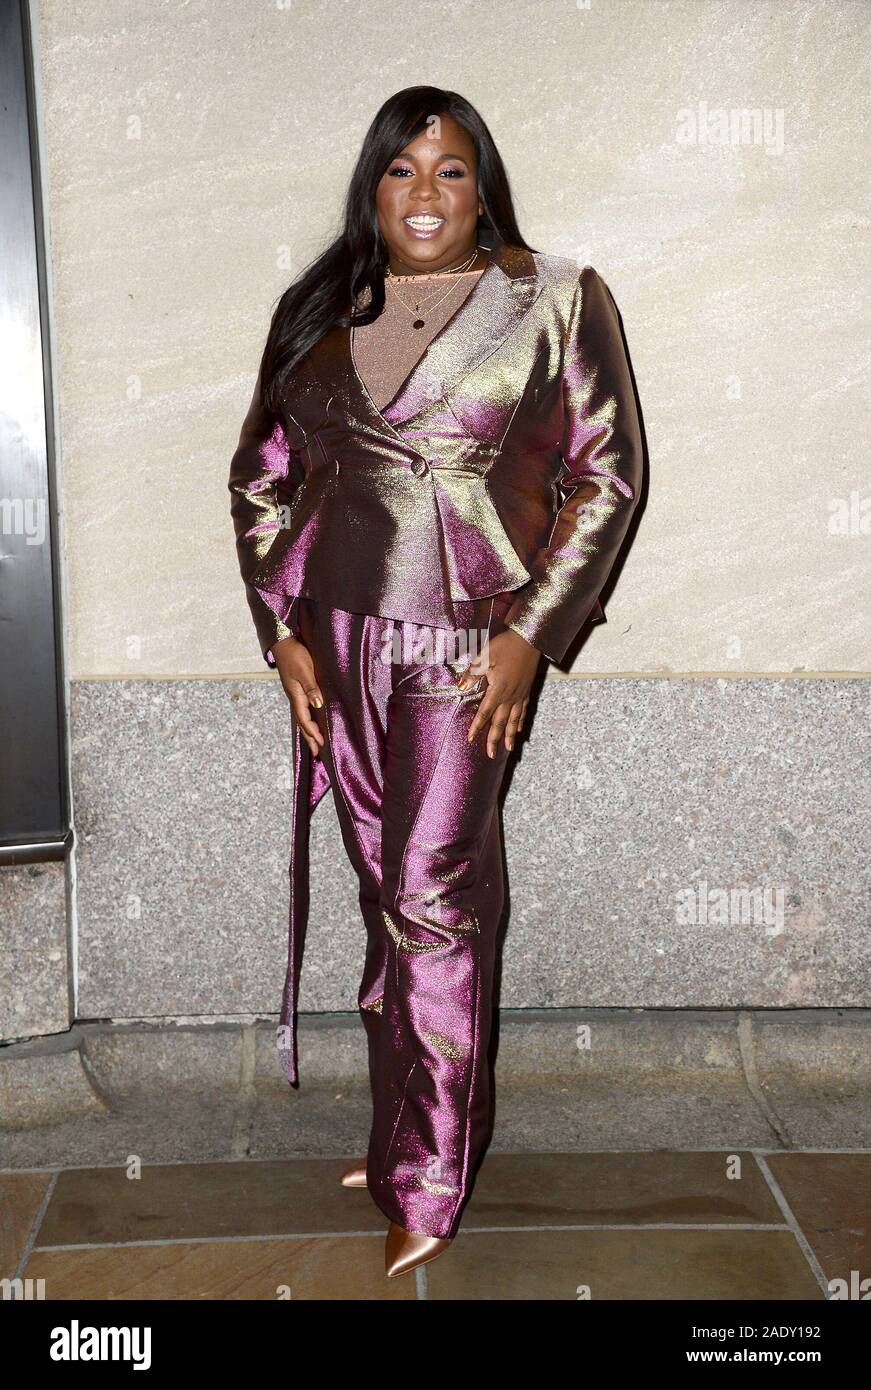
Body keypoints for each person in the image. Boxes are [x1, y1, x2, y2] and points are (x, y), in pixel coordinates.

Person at [228, 85, 643, 1277]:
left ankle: (429, 1176)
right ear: (372, 187)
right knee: (379, 891)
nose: (425, 194)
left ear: (484, 183)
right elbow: (261, 478)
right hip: (338, 639)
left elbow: (605, 477)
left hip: (465, 646)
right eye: (401, 171)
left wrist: (531, 634)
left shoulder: (553, 297)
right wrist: (283, 634)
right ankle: (399, 1126)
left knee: (432, 899)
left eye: (450, 171)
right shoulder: (319, 306)